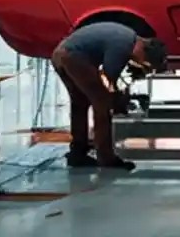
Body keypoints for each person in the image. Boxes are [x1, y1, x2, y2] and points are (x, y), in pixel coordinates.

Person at [51, 22, 168, 170]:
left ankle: (78, 153)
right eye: (143, 62)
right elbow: (108, 79)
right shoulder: (123, 46)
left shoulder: (127, 36)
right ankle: (106, 157)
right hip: (73, 56)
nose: (138, 63)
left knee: (80, 102)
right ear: (143, 51)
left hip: (60, 54)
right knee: (102, 103)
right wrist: (119, 100)